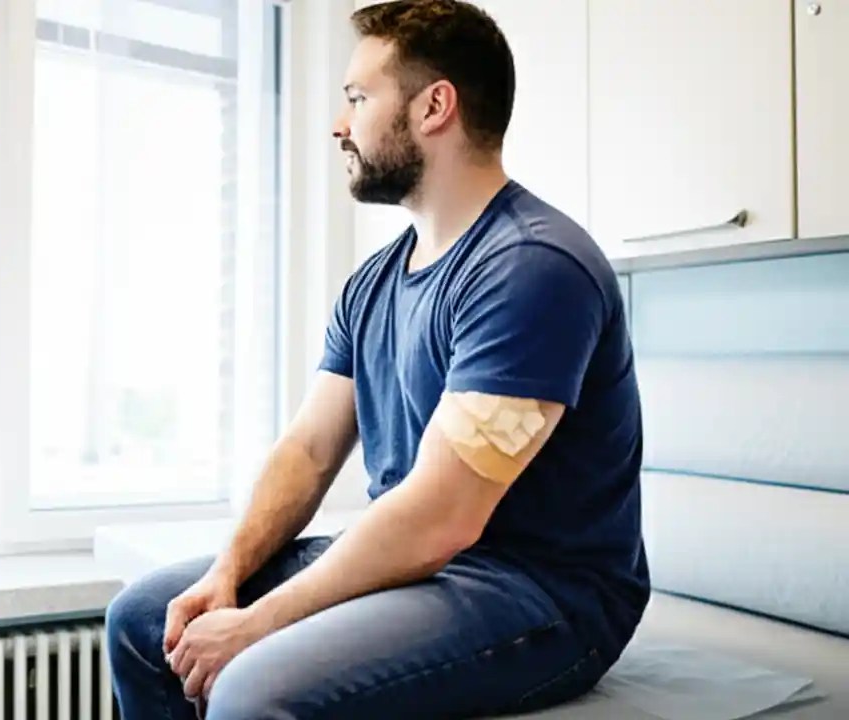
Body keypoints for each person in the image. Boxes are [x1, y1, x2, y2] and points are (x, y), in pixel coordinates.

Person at [105, 1, 650, 717]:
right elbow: (308, 448)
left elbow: (444, 517)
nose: (340, 125)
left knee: (253, 686)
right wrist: (227, 574)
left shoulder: (533, 267)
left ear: (434, 106)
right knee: (143, 622)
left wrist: (260, 624)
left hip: (536, 591)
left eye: (358, 99)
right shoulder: (374, 282)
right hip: (425, 568)